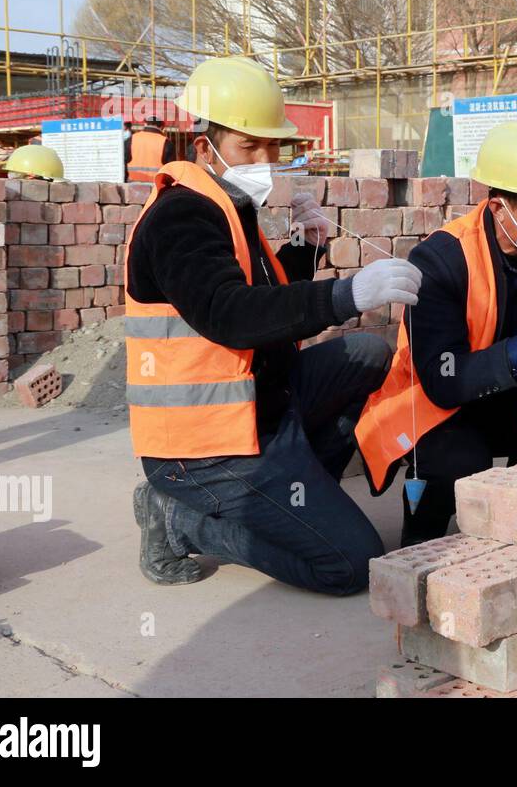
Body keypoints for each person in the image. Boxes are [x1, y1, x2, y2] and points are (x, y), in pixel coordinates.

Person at [128, 56, 421, 594]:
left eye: (272, 147)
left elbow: (263, 299)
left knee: (366, 355)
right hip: (207, 445)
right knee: (349, 566)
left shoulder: (229, 207)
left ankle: (303, 495)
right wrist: (348, 293)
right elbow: (231, 314)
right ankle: (176, 518)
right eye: (248, 147)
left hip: (261, 406)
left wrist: (303, 252)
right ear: (204, 147)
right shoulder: (181, 217)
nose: (265, 159)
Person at [354, 118, 517, 546]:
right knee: (461, 459)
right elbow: (443, 378)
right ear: (500, 208)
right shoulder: (441, 259)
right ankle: (421, 537)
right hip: (438, 406)